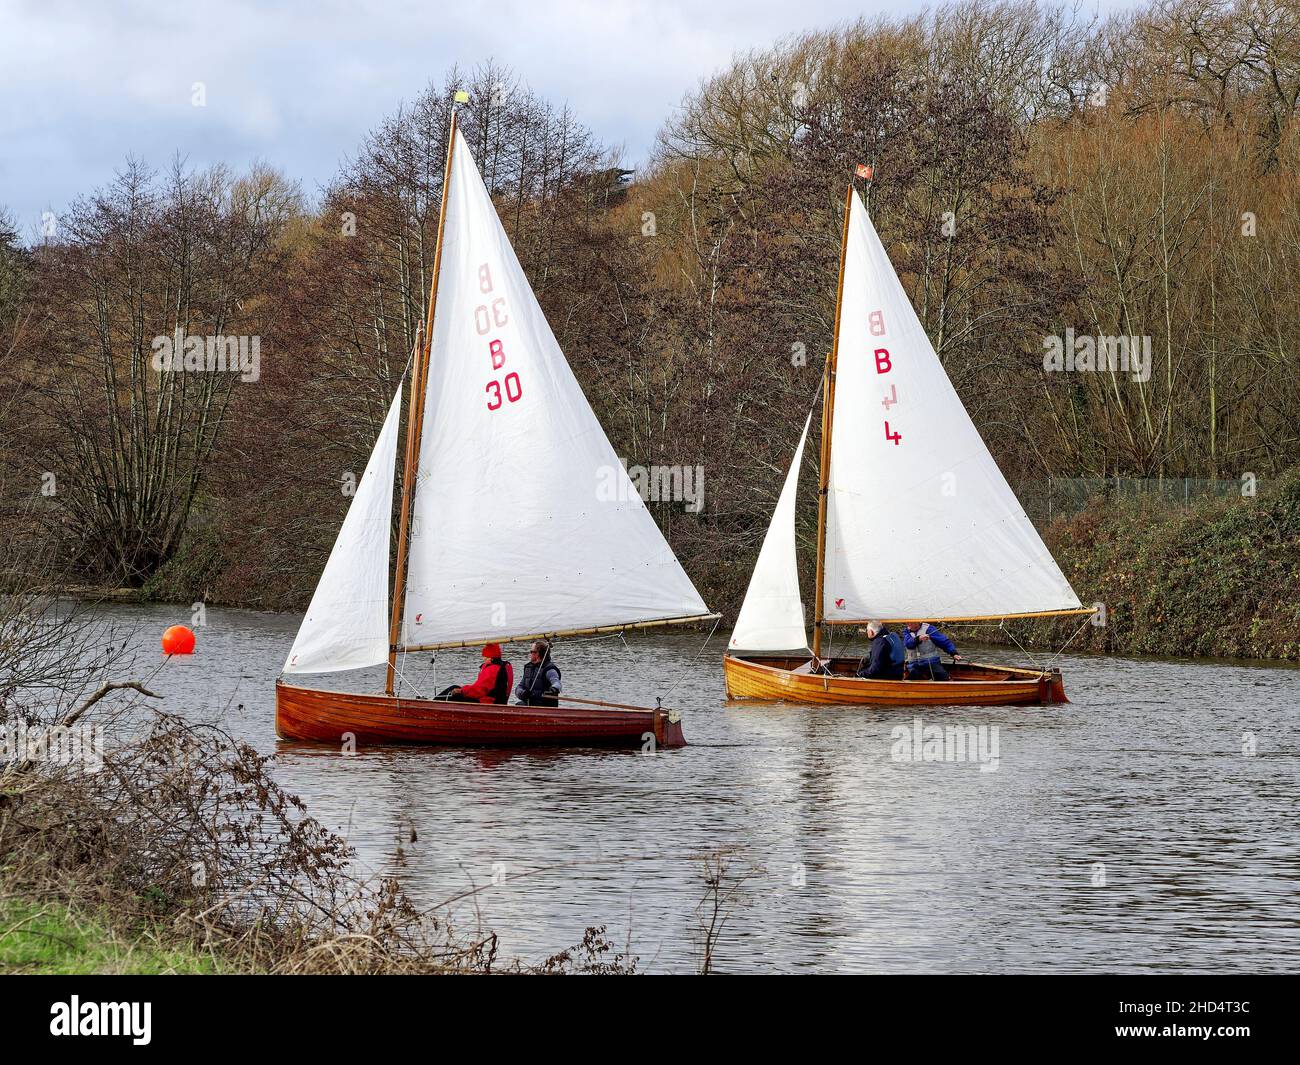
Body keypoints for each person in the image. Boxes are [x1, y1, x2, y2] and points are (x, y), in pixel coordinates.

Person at [438, 643, 514, 704]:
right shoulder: (505, 666)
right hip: (498, 702)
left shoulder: (492, 669)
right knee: (455, 688)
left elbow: (479, 690)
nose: (484, 659)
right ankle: (434, 702)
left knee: (454, 692)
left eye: (485, 657)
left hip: (489, 702)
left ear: (491, 658)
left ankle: (433, 703)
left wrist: (462, 691)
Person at [516, 639, 562, 707]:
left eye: (531, 651)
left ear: (538, 653)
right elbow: (520, 686)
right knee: (517, 705)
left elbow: (557, 683)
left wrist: (553, 690)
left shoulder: (549, 669)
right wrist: (522, 693)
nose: (530, 654)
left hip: (544, 707)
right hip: (529, 704)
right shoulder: (528, 667)